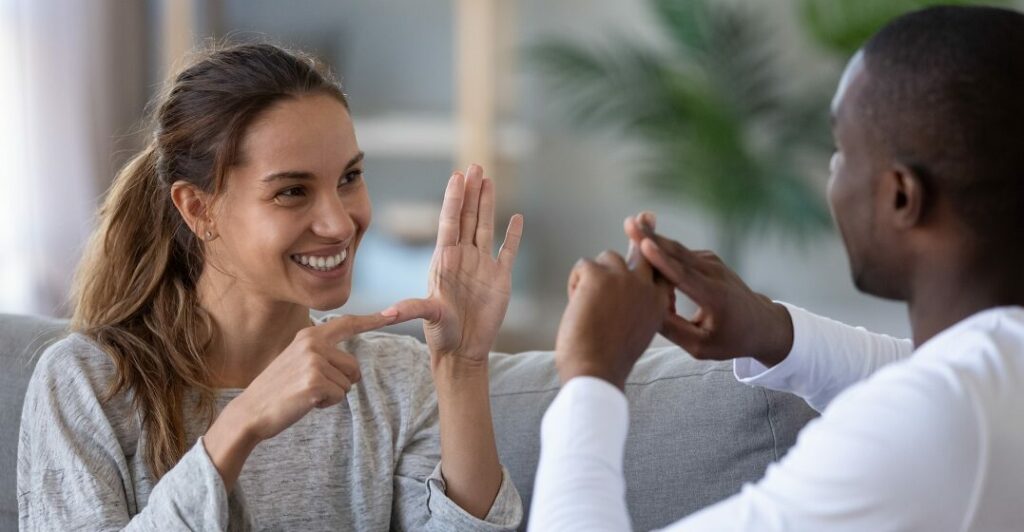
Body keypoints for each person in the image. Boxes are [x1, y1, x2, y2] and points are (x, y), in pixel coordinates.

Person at [530, 5, 1024, 531]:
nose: (833, 173)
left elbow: (929, 402)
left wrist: (591, 374)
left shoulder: (923, 428)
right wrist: (773, 331)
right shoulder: (992, 374)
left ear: (902, 196)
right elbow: (925, 372)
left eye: (841, 152)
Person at [17, 42, 524, 531]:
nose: (340, 223)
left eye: (350, 177)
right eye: (292, 192)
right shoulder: (87, 382)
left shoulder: (393, 380)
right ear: (198, 208)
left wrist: (462, 370)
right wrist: (243, 422)